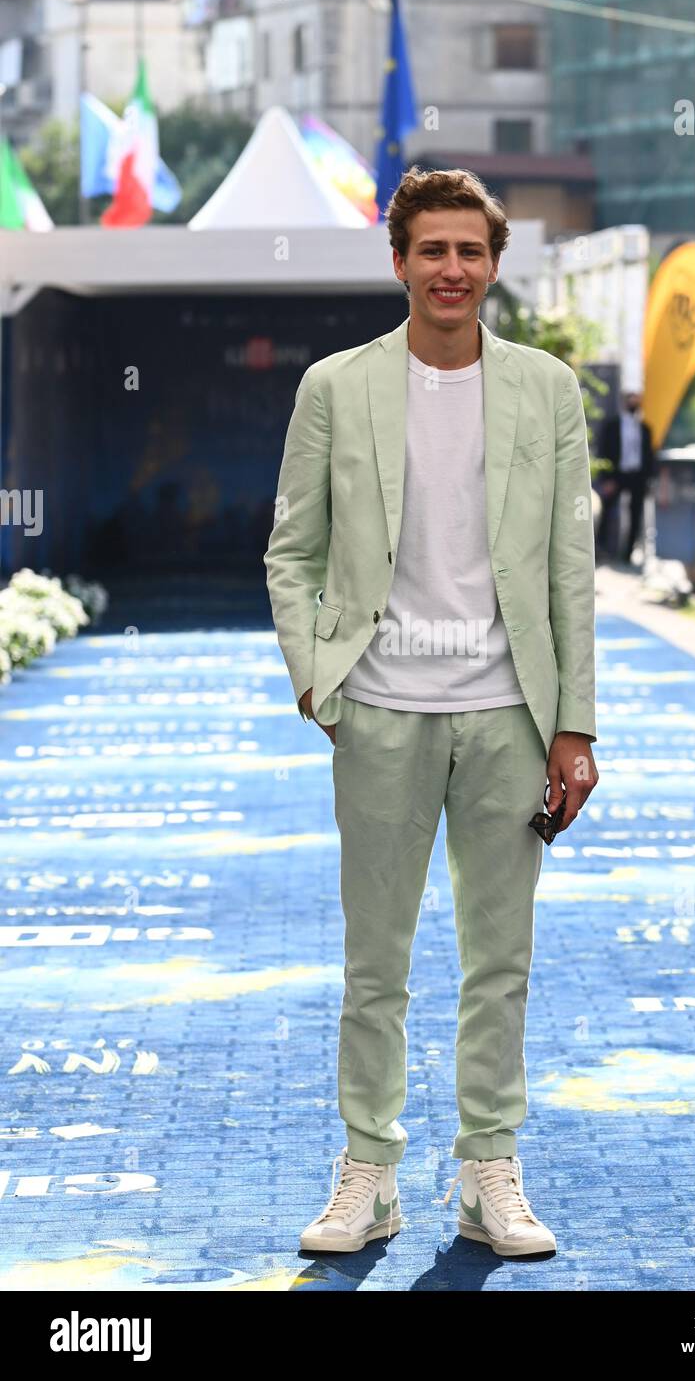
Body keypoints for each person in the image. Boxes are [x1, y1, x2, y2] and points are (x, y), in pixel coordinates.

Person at [264, 166, 599, 1259]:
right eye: (430, 250)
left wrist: (573, 726)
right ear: (398, 260)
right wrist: (320, 684)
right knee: (377, 965)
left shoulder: (546, 390)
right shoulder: (333, 386)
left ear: (493, 265)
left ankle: (486, 1173)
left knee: (497, 960)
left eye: (469, 251)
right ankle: (368, 1172)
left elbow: (567, 569)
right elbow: (292, 550)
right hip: (380, 713)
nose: (449, 270)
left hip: (508, 714)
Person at [596, 391, 656, 563]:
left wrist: (648, 479)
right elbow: (604, 450)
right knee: (607, 512)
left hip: (637, 475)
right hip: (617, 474)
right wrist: (606, 477)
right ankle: (600, 549)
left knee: (635, 515)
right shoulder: (613, 425)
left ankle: (628, 553)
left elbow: (648, 455)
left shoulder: (644, 428)